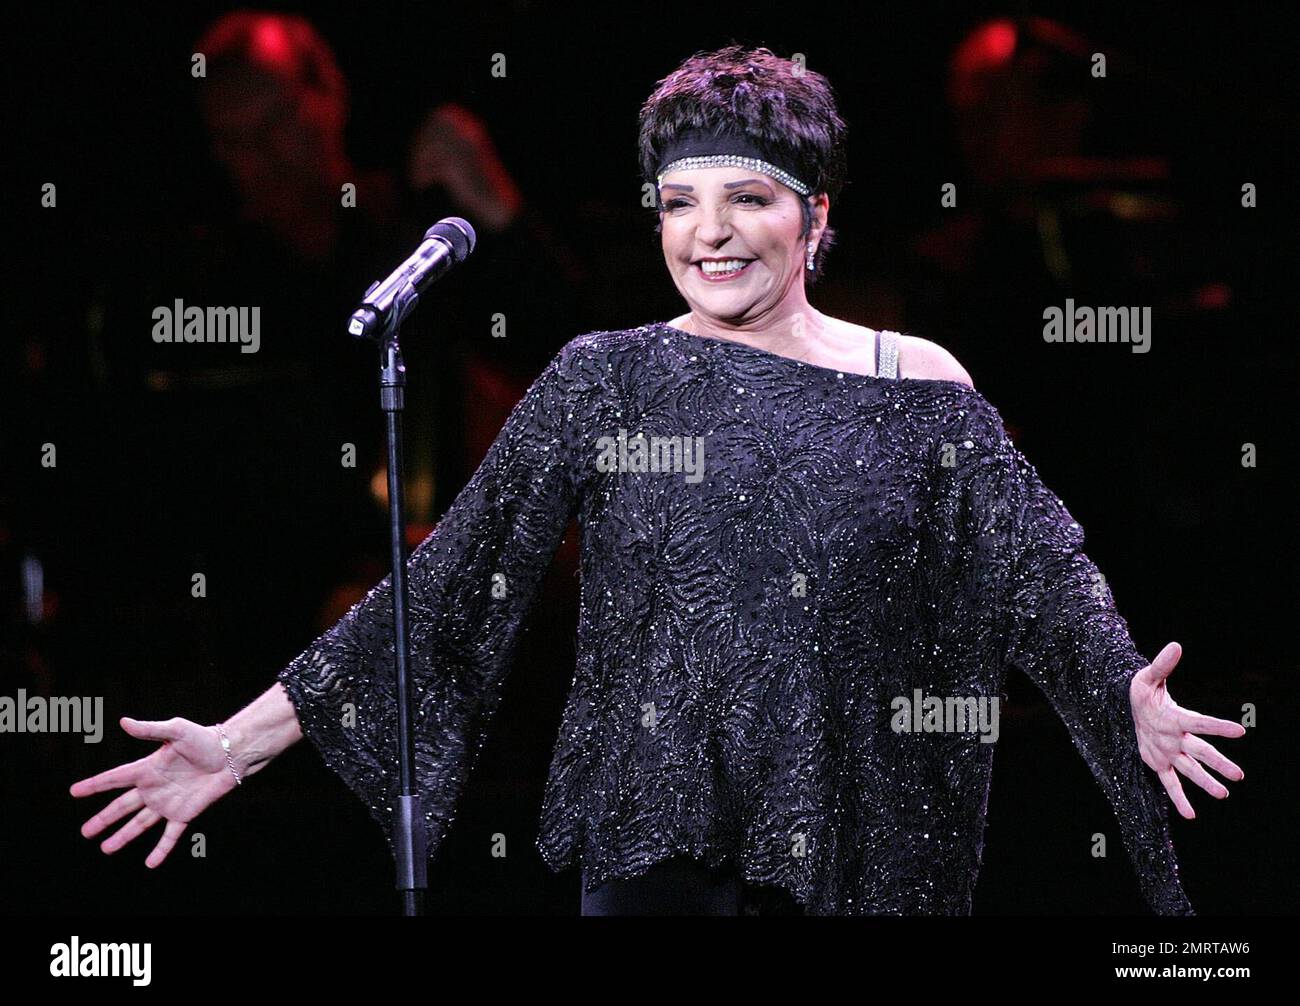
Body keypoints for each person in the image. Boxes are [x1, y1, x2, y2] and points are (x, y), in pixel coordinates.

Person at [70, 45, 1245, 916]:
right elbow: (449, 586)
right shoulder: (603, 381)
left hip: (859, 847)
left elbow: (1039, 567)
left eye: (747, 197)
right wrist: (240, 741)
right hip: (659, 856)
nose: (709, 233)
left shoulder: (916, 381)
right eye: (681, 202)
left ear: (816, 216)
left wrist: (1118, 692)